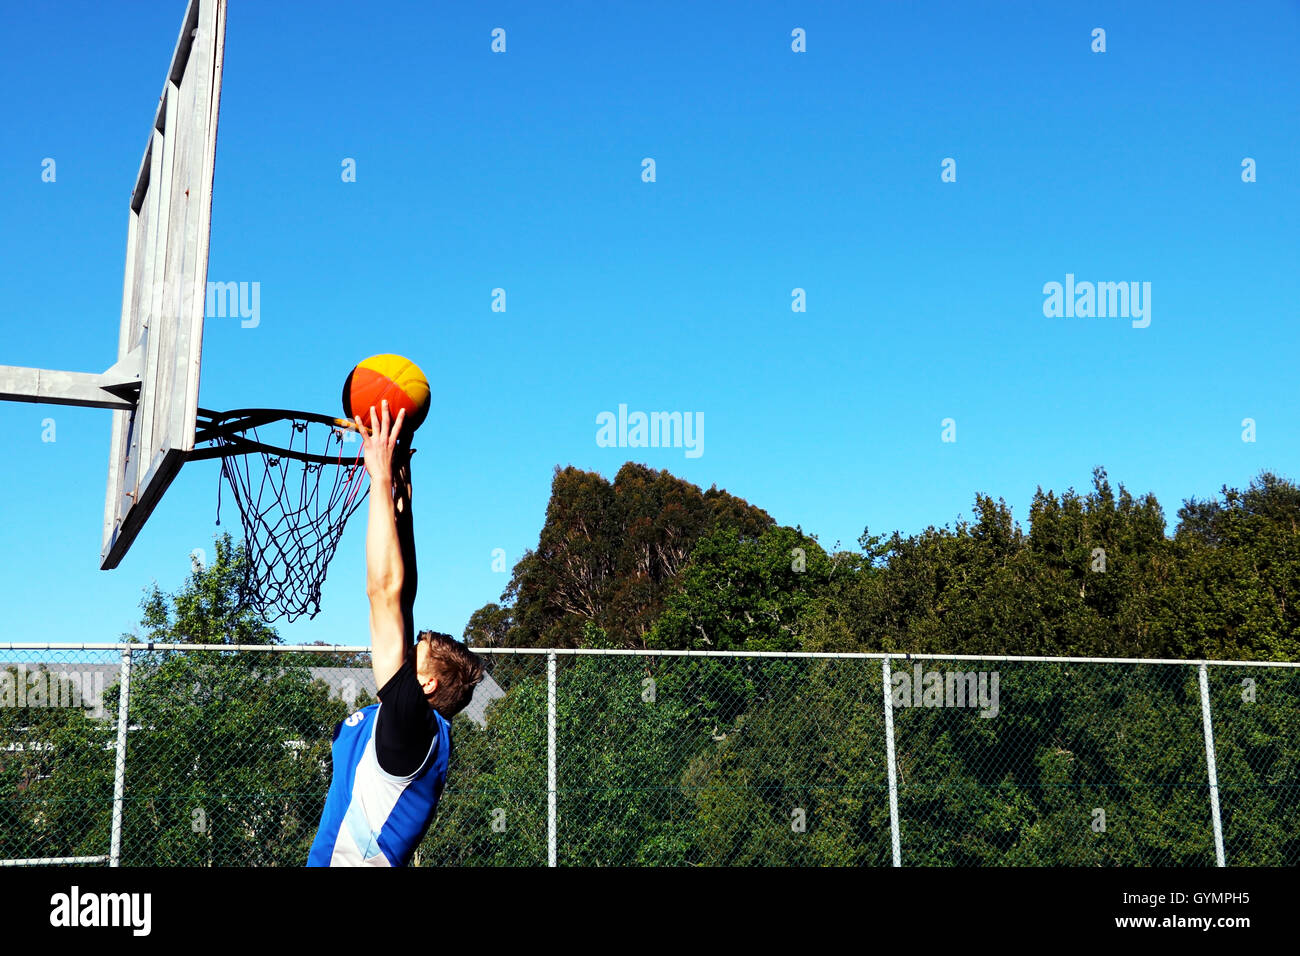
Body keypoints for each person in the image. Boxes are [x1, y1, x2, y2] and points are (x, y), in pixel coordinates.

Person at [308, 400, 484, 866]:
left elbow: (384, 592)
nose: (404, 650)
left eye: (415, 653)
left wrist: (379, 478)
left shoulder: (411, 727)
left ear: (426, 685)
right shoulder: (416, 727)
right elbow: (402, 599)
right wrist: (402, 502)